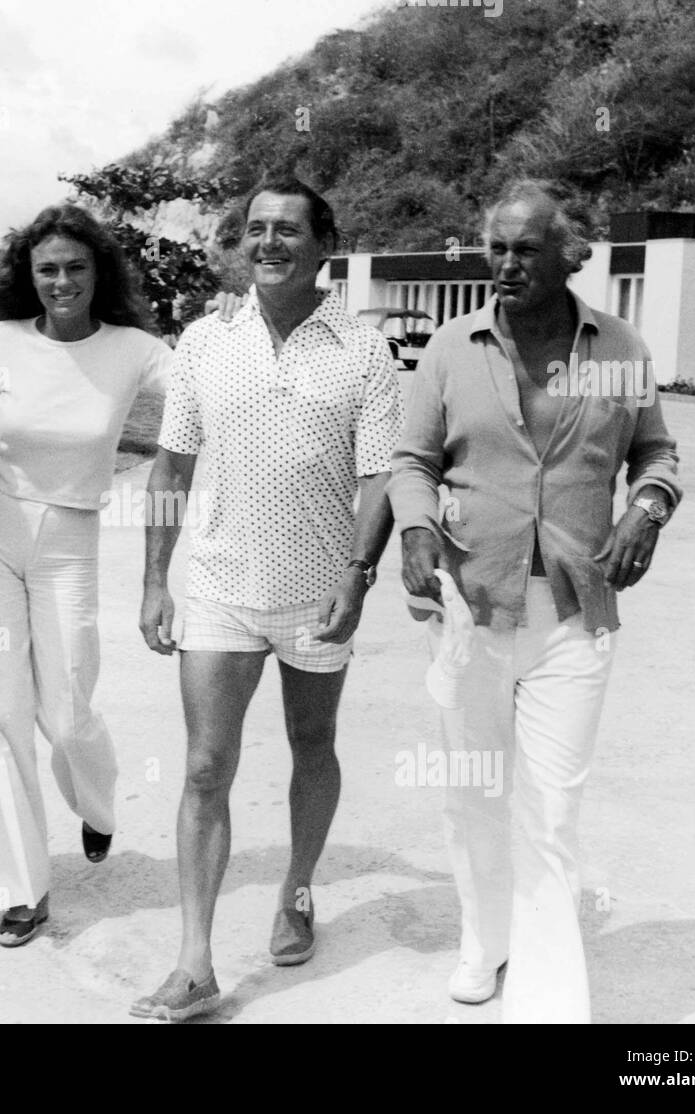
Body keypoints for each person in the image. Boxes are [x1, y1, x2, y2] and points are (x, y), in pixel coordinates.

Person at [388, 178, 682, 1023]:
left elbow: (657, 452)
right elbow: (413, 459)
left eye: (525, 249)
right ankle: (485, 943)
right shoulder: (451, 346)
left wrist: (646, 509)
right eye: (497, 248)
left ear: (569, 256)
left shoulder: (620, 346)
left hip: (575, 614)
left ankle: (550, 998)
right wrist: (413, 526)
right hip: (470, 606)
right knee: (474, 794)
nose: (506, 263)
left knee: (550, 807)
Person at [130, 176, 404, 1021]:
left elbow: (380, 478)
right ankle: (194, 961)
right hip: (218, 586)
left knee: (310, 743)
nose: (269, 243)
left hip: (319, 593)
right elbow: (172, 466)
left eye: (288, 230)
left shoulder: (364, 349)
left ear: (325, 246)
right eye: (256, 230)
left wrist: (357, 579)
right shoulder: (206, 340)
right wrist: (154, 578)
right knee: (206, 766)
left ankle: (296, 887)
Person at [0, 205, 173, 946]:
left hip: (70, 540)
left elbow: (205, 388)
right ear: (30, 279)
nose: (61, 281)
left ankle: (97, 805)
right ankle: (22, 889)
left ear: (100, 274)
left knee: (66, 710)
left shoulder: (133, 349)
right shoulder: (0, 341)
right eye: (47, 269)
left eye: (76, 268)